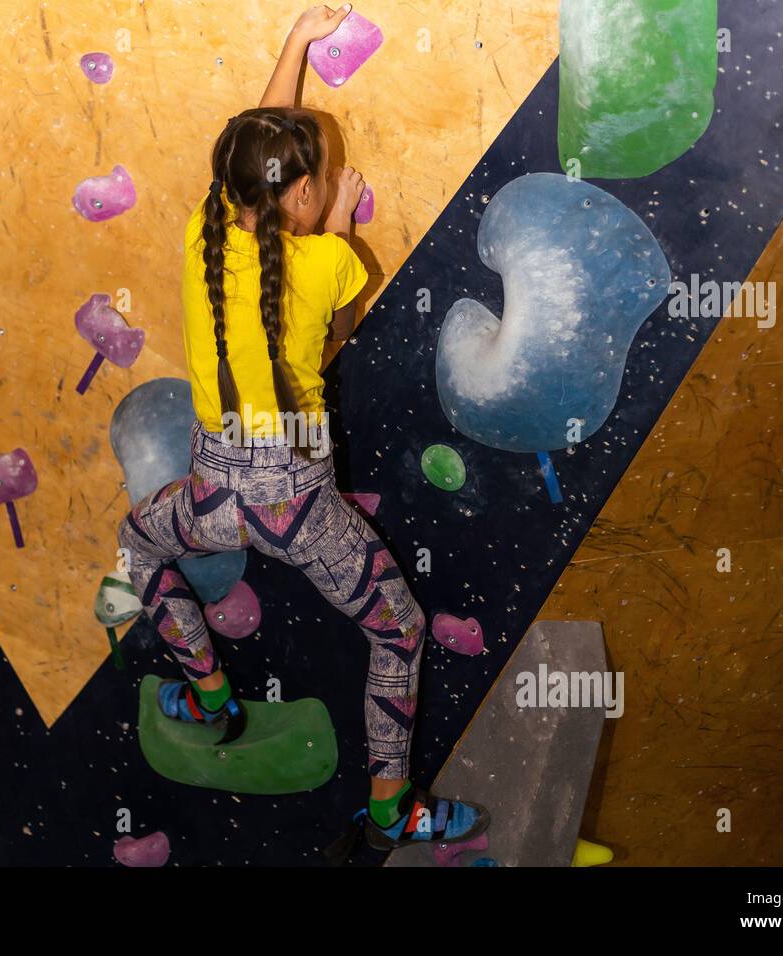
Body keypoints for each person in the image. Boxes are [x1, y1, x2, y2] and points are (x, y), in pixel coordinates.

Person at [116, 4, 489, 856]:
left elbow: (256, 152)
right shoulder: (331, 260)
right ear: (305, 194)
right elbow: (332, 332)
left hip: (214, 499)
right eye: (321, 172)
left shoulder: (199, 237)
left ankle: (210, 692)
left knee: (137, 546)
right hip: (301, 517)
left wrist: (295, 45)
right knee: (397, 631)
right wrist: (344, 224)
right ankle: (393, 809)